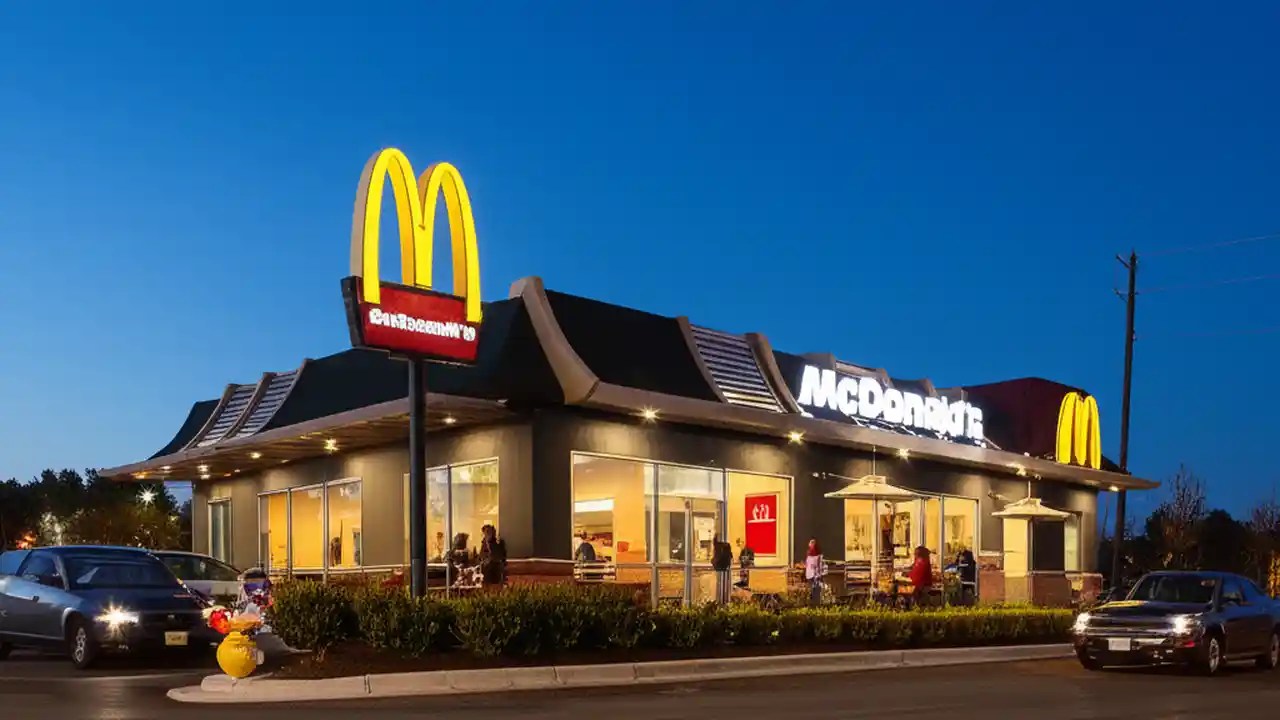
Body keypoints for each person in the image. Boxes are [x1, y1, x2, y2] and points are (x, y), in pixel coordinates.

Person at [711, 534, 733, 605]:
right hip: (723, 569)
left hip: (720, 568)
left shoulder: (719, 548)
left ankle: (721, 603)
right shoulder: (726, 547)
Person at [805, 539, 824, 606]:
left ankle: (815, 604)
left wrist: (818, 574)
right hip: (810, 575)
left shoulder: (818, 556)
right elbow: (808, 564)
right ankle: (813, 603)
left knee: (815, 590)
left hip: (815, 575)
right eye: (810, 542)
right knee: (812, 590)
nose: (810, 544)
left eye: (811, 543)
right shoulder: (809, 553)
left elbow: (819, 565)